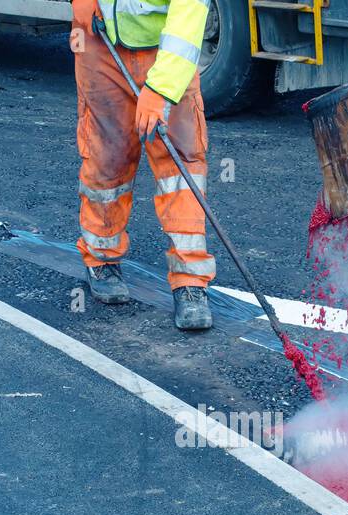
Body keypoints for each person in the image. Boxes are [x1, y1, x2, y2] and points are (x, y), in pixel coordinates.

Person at [71, 0, 216, 330]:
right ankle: (101, 258)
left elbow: (190, 12)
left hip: (164, 52)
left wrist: (161, 87)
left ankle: (190, 281)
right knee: (107, 156)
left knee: (181, 165)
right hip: (99, 43)